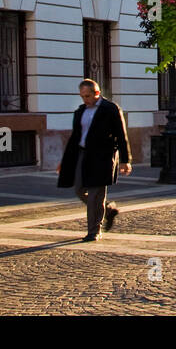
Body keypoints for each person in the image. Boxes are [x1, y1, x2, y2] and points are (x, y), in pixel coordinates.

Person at [57, 78, 132, 241]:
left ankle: (94, 231)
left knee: (94, 195)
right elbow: (75, 137)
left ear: (97, 93)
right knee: (79, 189)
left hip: (102, 157)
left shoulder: (110, 109)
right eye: (82, 96)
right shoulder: (80, 111)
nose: (85, 99)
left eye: (88, 96)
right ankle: (108, 209)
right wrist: (65, 162)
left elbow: (121, 134)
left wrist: (126, 160)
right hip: (83, 155)